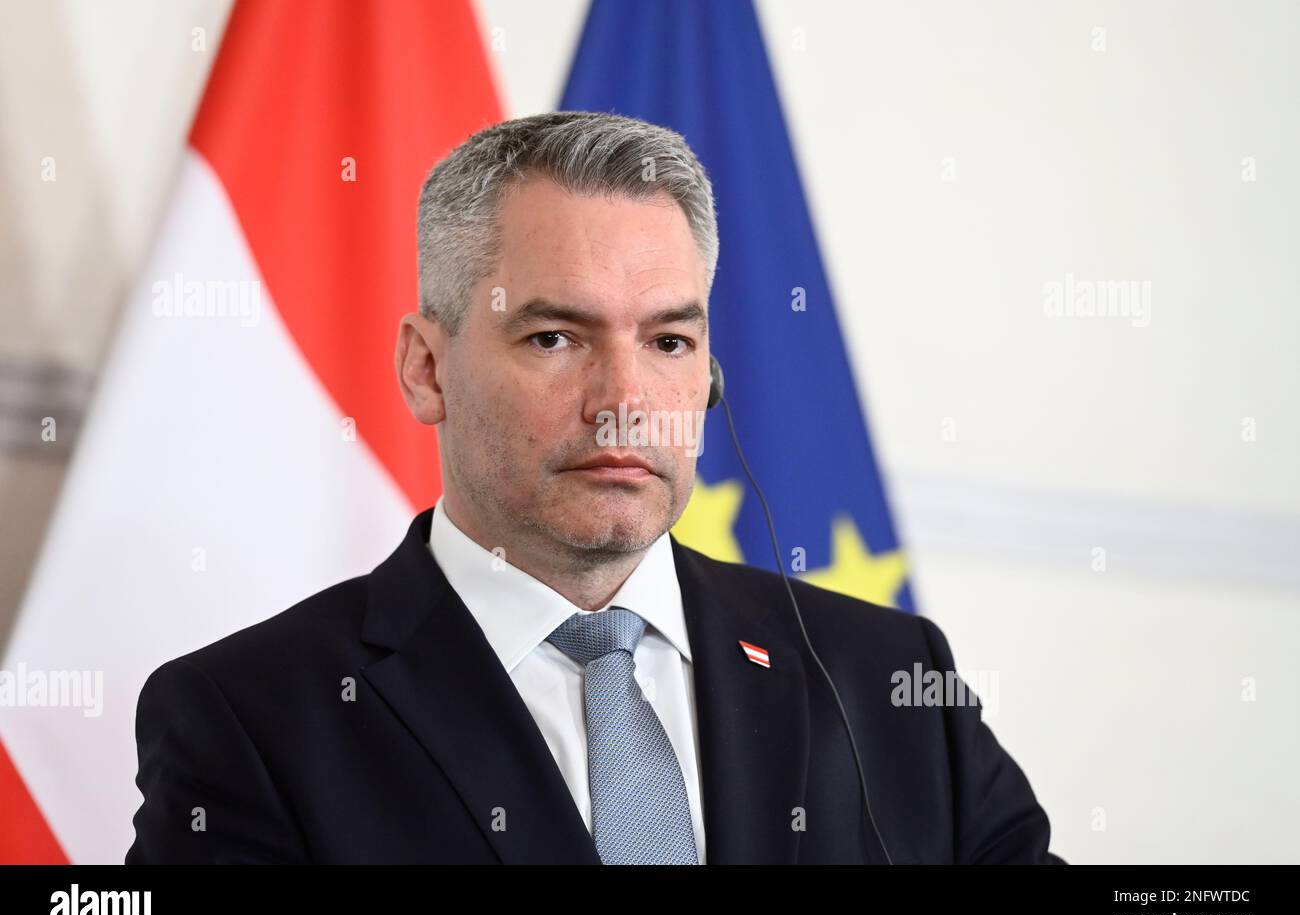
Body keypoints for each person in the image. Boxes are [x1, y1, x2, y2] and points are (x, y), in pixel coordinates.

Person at [126, 111, 1063, 864]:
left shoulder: (885, 677)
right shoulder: (253, 716)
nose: (624, 403)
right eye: (554, 338)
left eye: (669, 341)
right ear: (427, 368)